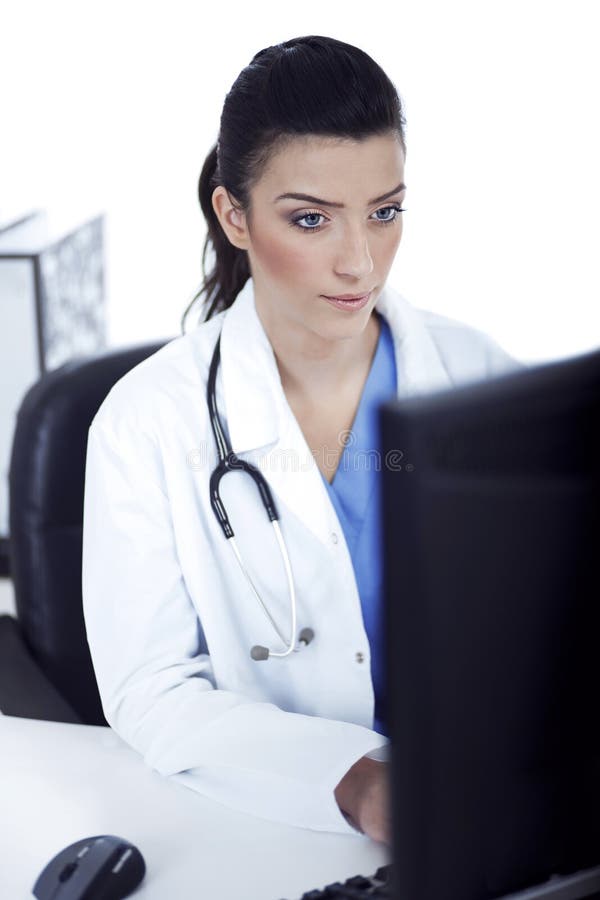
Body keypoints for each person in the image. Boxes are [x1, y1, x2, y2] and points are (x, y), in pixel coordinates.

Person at [81, 34, 522, 847]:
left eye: (384, 212)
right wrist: (353, 780)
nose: (360, 262)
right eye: (311, 219)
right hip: (286, 827)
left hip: (496, 802)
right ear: (234, 216)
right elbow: (151, 689)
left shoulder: (482, 376)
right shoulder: (146, 422)